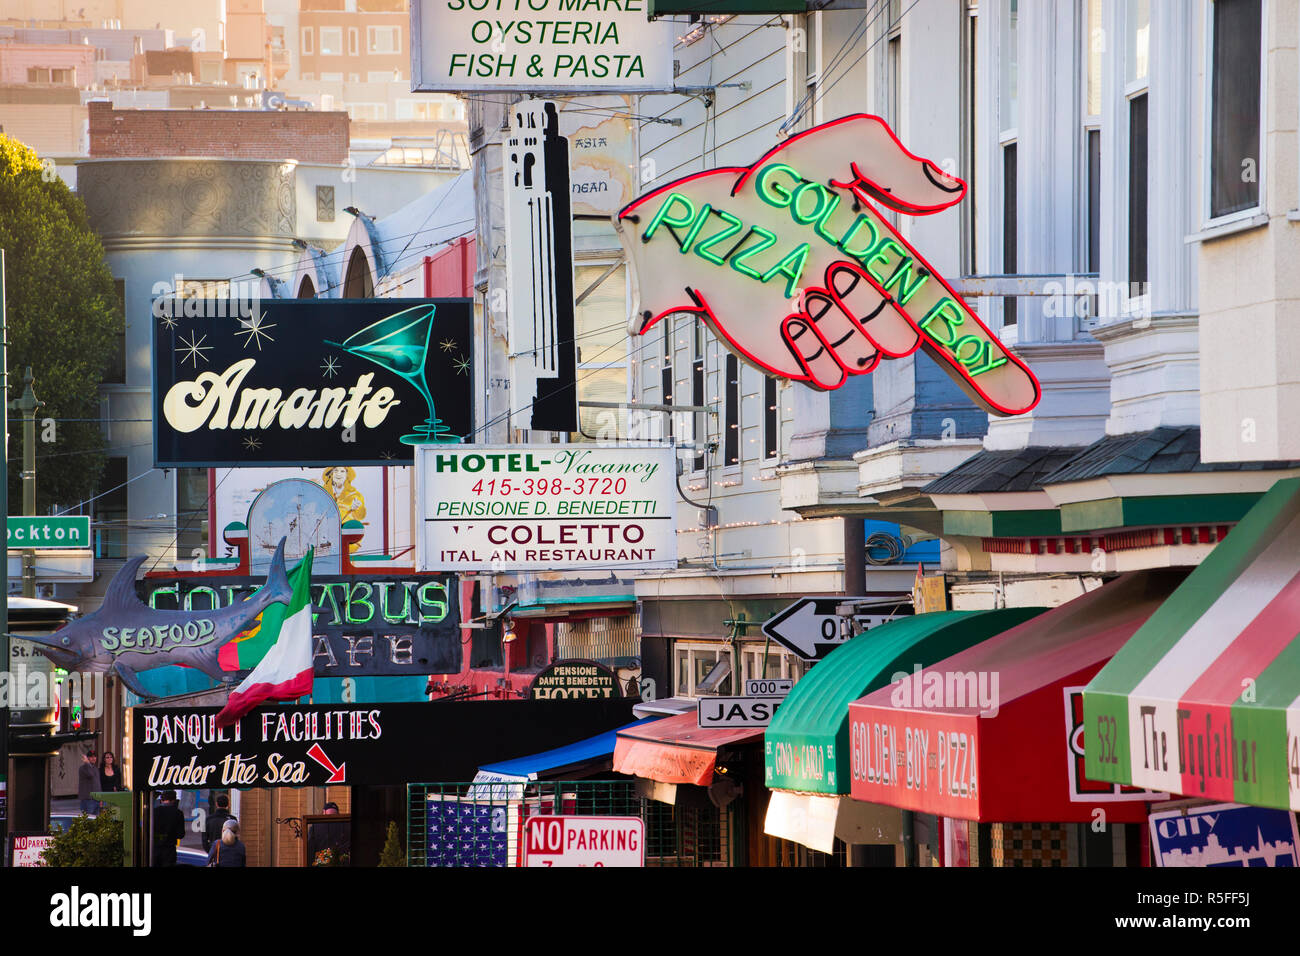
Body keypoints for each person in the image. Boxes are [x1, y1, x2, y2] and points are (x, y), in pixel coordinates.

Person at [321, 466, 366, 552]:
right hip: (325, 537)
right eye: (336, 471)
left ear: (347, 475)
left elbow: (361, 515)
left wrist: (357, 508)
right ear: (330, 474)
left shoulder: (355, 495)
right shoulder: (323, 492)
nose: (339, 474)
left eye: (342, 471)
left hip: (348, 541)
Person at [151, 790, 185, 867]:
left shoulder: (154, 812)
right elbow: (181, 834)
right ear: (174, 800)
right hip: (169, 850)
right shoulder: (178, 813)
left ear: (161, 800)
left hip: (154, 848)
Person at [77, 750, 100, 815]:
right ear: (87, 758)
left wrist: (100, 798)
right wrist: (87, 763)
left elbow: (98, 784)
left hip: (97, 799)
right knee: (88, 820)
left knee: (96, 820)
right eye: (91, 757)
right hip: (88, 799)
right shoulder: (83, 768)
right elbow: (90, 775)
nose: (94, 758)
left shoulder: (95, 768)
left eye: (95, 756)